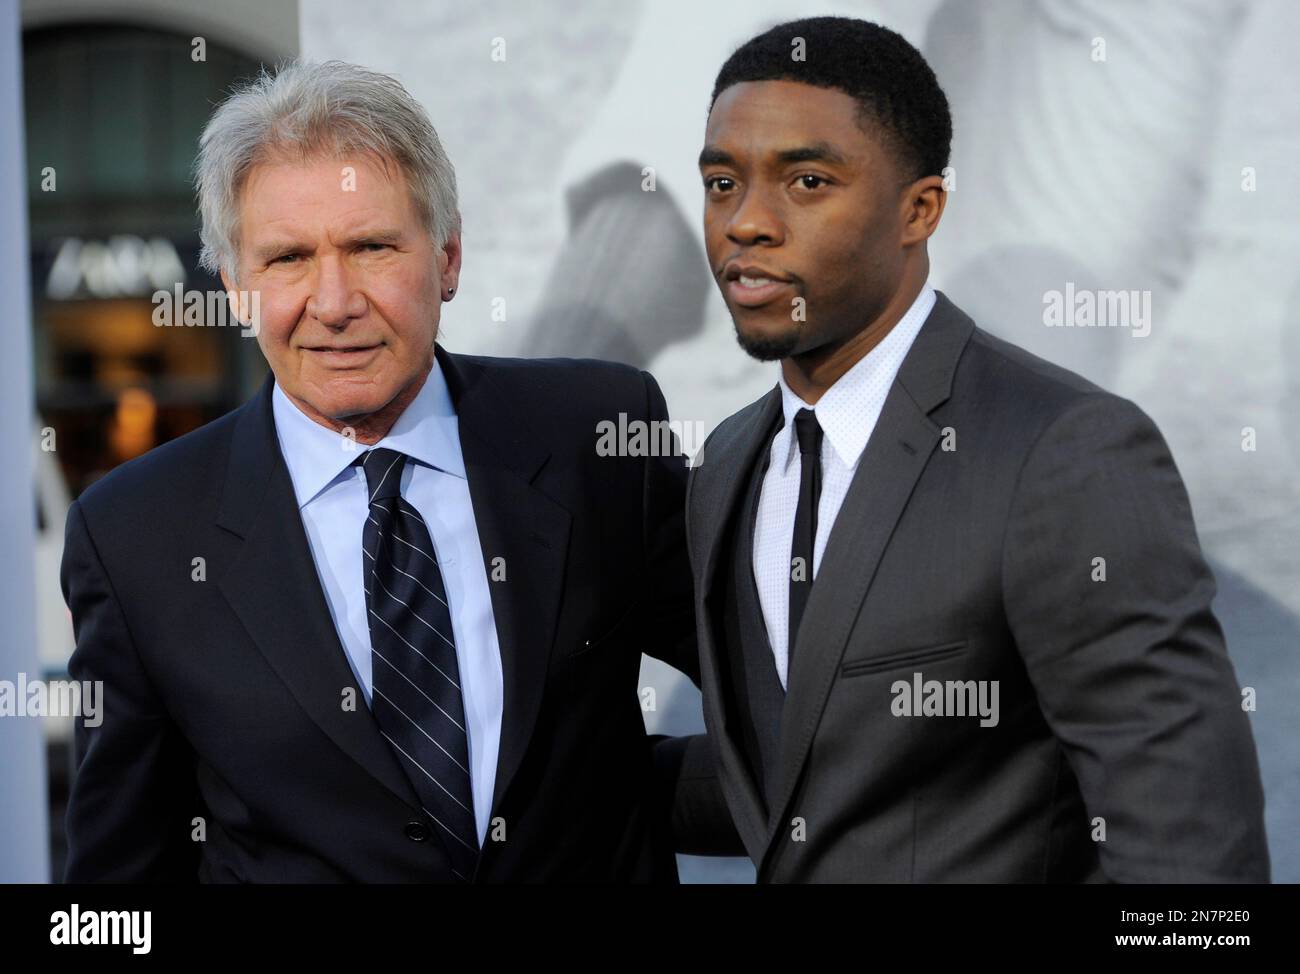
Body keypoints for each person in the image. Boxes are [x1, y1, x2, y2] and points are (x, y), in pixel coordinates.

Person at [660, 17, 1270, 882]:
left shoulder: (1064, 452)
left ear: (921, 210)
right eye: (723, 182)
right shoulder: (729, 465)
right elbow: (807, 778)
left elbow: (1193, 858)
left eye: (805, 180)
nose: (747, 222)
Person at [60, 60, 695, 883]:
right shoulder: (137, 534)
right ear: (235, 288)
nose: (333, 302)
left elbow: (782, 678)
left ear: (449, 256)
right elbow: (121, 879)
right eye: (287, 258)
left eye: (371, 247)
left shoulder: (596, 437)